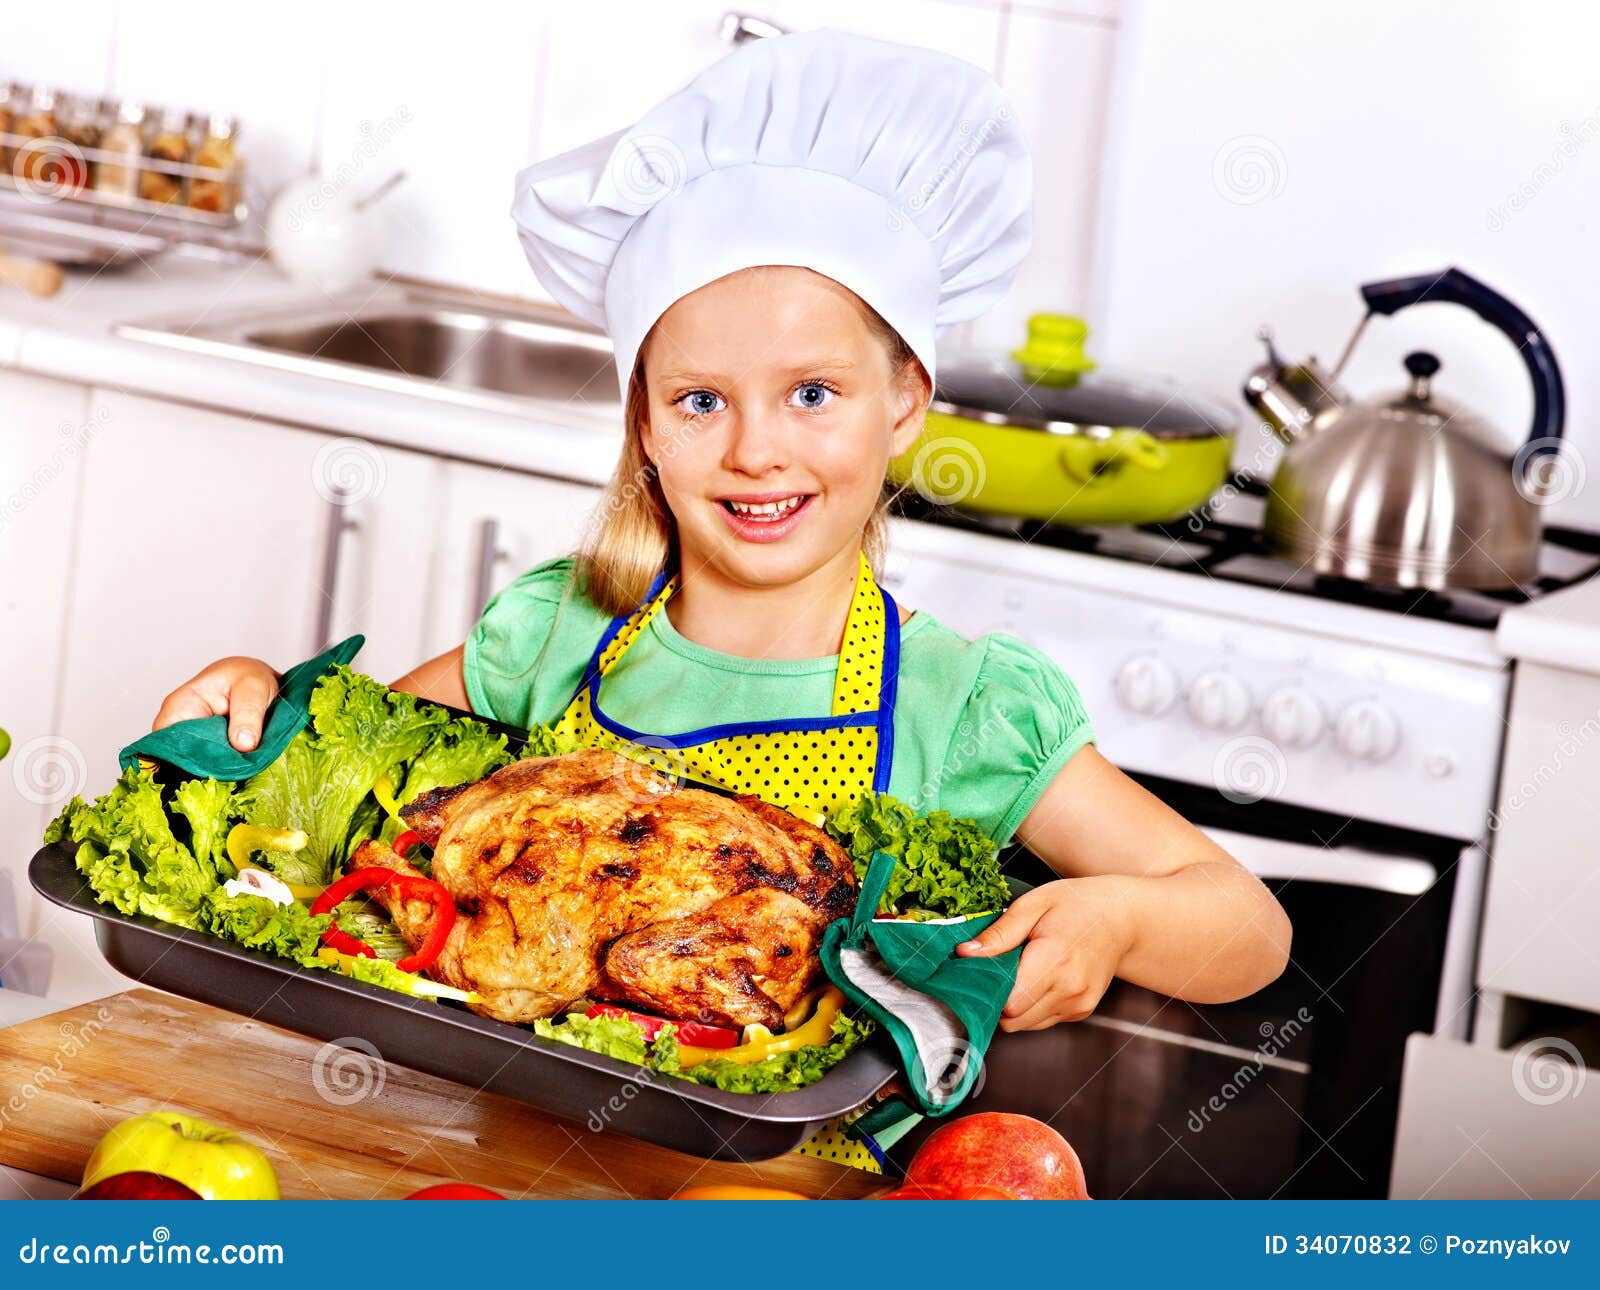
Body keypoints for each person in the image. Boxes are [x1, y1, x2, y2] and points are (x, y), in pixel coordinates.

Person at [152, 30, 1290, 1037]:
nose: (756, 451)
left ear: (904, 400)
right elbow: (333, 809)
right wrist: (247, 706)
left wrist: (1116, 916)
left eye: (812, 394)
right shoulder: (556, 633)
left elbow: (1245, 931)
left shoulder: (964, 707)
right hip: (487, 1168)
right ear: (643, 421)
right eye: (701, 400)